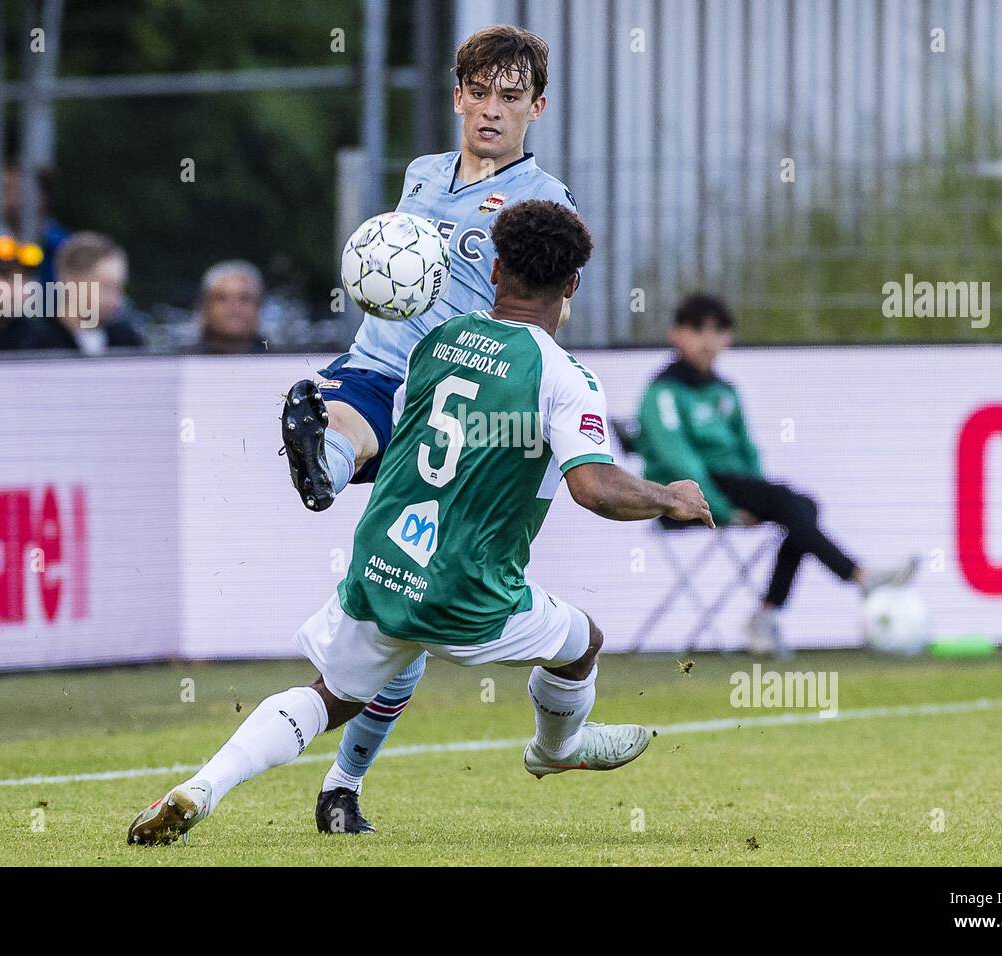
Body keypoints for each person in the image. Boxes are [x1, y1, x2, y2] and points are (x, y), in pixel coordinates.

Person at [127, 200, 713, 847]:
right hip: (470, 591)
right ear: (571, 284)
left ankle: (201, 787)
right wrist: (670, 496)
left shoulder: (436, 344)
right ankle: (557, 748)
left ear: (493, 271)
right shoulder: (563, 376)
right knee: (584, 644)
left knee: (330, 696)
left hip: (384, 564)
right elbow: (594, 488)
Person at [280, 23, 579, 835]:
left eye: (510, 98)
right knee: (346, 408)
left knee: (398, 633)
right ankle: (327, 459)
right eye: (478, 93)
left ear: (536, 108)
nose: (491, 110)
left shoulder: (543, 200)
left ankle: (343, 784)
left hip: (451, 394)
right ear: (457, 98)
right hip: (378, 364)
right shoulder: (420, 174)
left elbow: (543, 307)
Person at [636, 294, 917, 656]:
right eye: (697, 330)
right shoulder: (663, 392)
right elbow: (681, 462)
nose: (708, 341)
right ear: (676, 334)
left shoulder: (726, 392)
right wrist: (723, 510)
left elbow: (747, 453)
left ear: (728, 338)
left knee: (801, 507)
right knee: (794, 506)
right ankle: (859, 577)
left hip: (733, 489)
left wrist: (759, 493)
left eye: (717, 331)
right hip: (683, 499)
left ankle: (766, 615)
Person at [23, 232, 145, 353]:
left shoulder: (127, 341)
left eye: (119, 288)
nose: (116, 300)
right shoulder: (33, 342)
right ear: (70, 283)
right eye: (106, 287)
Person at [194, 260, 265, 354]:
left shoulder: (282, 362)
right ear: (206, 307)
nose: (234, 307)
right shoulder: (179, 363)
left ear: (258, 307)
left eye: (244, 299)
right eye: (222, 298)